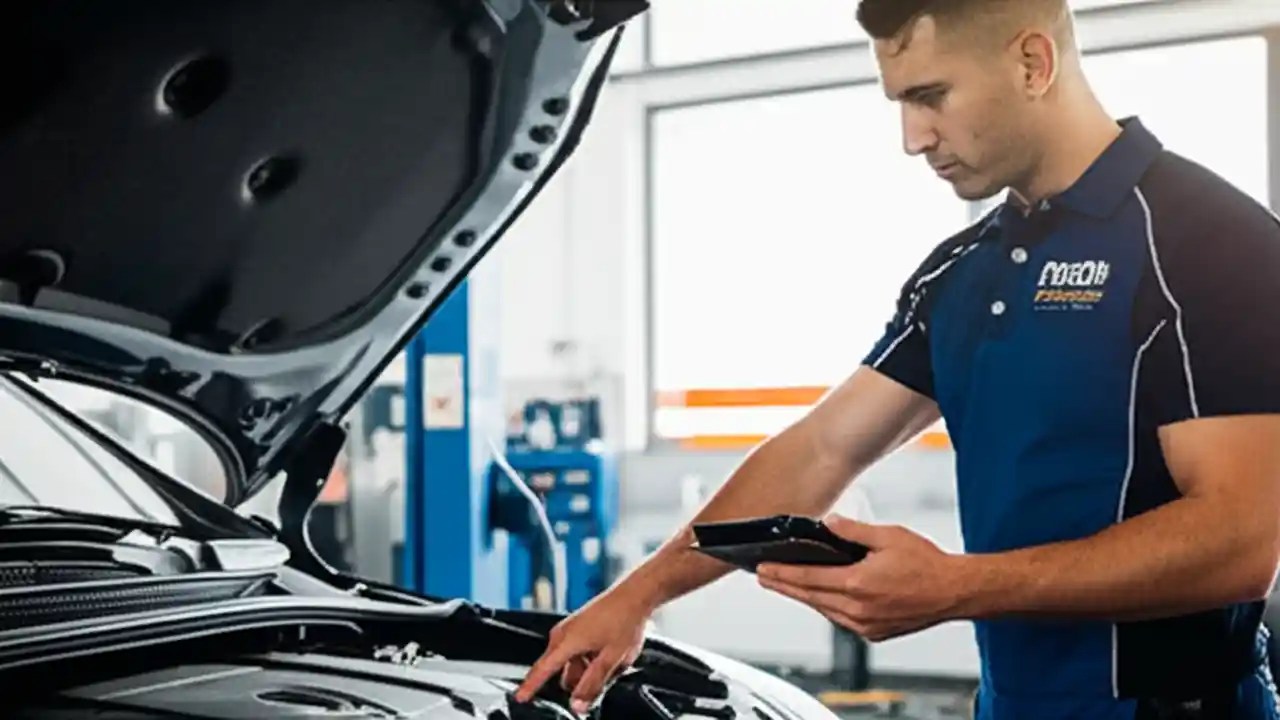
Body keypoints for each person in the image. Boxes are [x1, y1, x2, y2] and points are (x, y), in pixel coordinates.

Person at [515, 0, 1280, 717]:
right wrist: (636, 596)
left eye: (932, 96)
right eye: (900, 104)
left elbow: (1241, 542)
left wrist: (956, 587)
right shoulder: (963, 272)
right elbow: (821, 449)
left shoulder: (1209, 242)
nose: (913, 138)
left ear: (1033, 63)